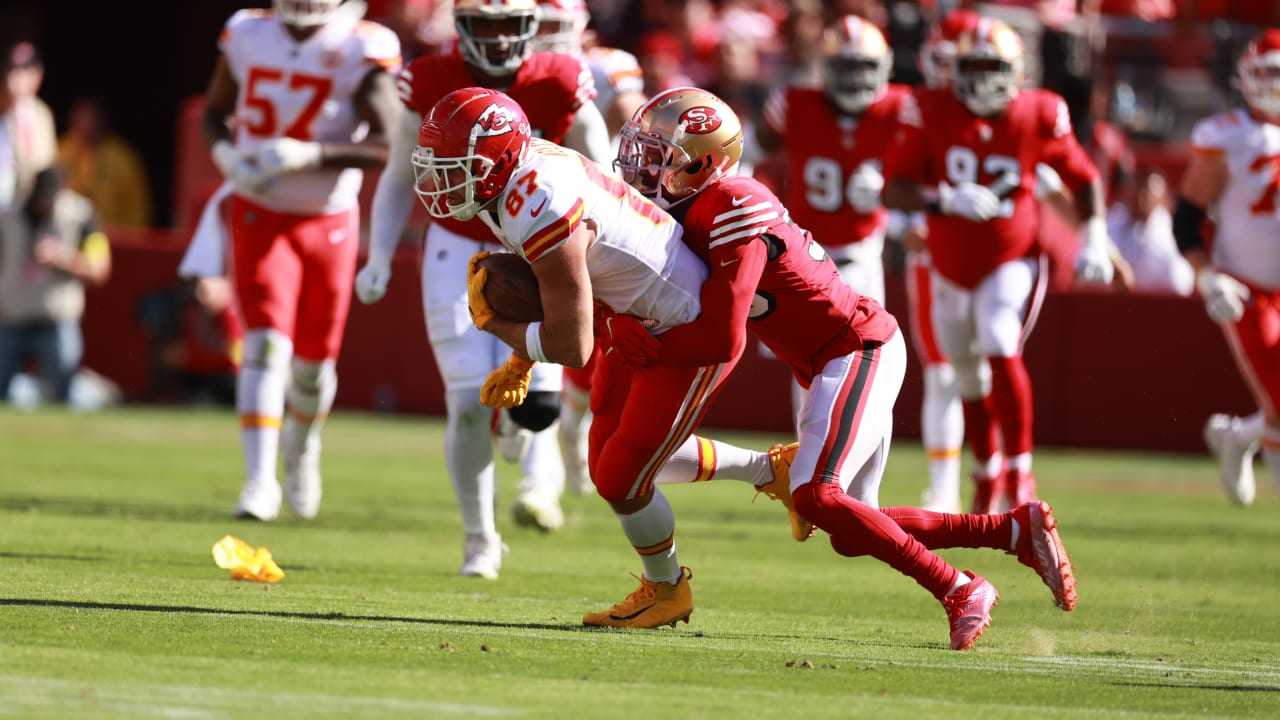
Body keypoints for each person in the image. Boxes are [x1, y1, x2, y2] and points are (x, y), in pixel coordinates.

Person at [604, 86, 1076, 649]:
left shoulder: (730, 202)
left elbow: (722, 336)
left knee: (817, 496)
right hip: (827, 357)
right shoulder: (694, 208)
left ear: (704, 162)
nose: (644, 165)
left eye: (660, 155)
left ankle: (959, 587)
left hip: (855, 347)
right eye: (643, 150)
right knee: (850, 527)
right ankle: (1011, 530)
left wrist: (634, 341)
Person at [353, 0, 614, 578]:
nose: (497, 40)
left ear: (531, 26)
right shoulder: (430, 78)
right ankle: (480, 539)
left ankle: (524, 444)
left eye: (508, 25)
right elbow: (400, 176)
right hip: (457, 245)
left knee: (539, 408)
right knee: (467, 402)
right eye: (485, 25)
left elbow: (607, 175)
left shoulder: (560, 78)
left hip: (538, 247)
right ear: (462, 28)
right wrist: (379, 255)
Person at [882, 16, 1118, 514]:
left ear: (1018, 70)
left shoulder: (1039, 111)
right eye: (976, 65)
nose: (985, 78)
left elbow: (1082, 177)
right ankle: (987, 472)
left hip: (1013, 256)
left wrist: (1095, 238)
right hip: (949, 261)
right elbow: (894, 185)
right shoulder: (930, 108)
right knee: (965, 373)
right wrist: (945, 199)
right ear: (956, 69)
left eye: (995, 66)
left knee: (997, 337)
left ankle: (1020, 470)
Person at [201, 0, 403, 521]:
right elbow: (213, 112)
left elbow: (386, 145)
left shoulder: (360, 43)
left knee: (313, 369)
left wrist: (308, 154)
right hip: (259, 211)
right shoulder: (247, 32)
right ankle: (257, 482)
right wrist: (225, 156)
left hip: (327, 218)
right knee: (265, 345)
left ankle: (303, 444)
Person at [531, 0, 649, 495]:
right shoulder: (515, 71)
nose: (552, 39)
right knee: (552, 333)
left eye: (561, 28)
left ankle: (568, 442)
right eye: (544, 29)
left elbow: (632, 127)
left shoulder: (606, 66)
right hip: (534, 218)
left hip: (595, 222)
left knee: (595, 345)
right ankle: (540, 470)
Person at [1175, 28, 1280, 507]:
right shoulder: (1229, 136)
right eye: (1268, 73)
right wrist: (1207, 275)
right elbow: (1187, 219)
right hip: (1248, 287)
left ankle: (1239, 437)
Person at [0, 166, 111, 403]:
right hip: (11, 318)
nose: (41, 206)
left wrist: (63, 258)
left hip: (56, 320)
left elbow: (100, 269)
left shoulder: (81, 215)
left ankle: (97, 393)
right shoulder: (7, 216)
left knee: (63, 393)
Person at [56, 97, 154, 228]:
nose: (86, 125)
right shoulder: (62, 152)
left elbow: (139, 206)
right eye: (82, 119)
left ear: (101, 121)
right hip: (71, 231)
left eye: (91, 119)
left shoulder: (123, 159)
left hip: (115, 236)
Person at [1108, 168, 1193, 296]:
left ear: (1163, 198)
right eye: (1140, 189)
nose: (1144, 197)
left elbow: (1179, 284)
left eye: (1150, 192)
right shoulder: (1112, 222)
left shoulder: (1172, 233)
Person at [0, 40, 57, 217]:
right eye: (13, 69)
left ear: (38, 74)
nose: (18, 75)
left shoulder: (43, 115)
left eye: (26, 69)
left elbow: (47, 161)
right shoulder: (3, 109)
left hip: (29, 209)